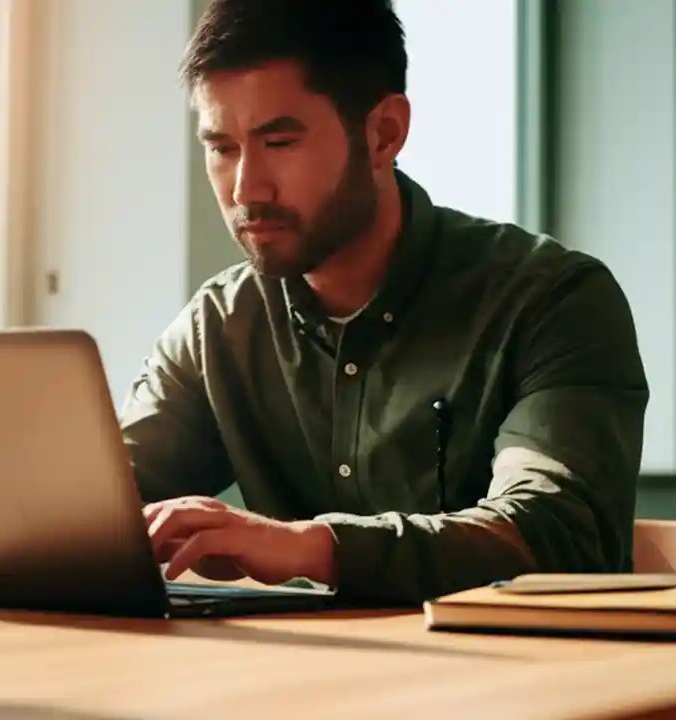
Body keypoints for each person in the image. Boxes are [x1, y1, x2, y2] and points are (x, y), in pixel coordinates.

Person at [122, 0, 648, 605]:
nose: (247, 189)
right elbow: (95, 505)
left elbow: (552, 535)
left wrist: (308, 547)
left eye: (281, 141)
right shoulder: (219, 325)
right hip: (303, 686)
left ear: (383, 133)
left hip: (516, 688)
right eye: (222, 148)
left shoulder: (553, 300)